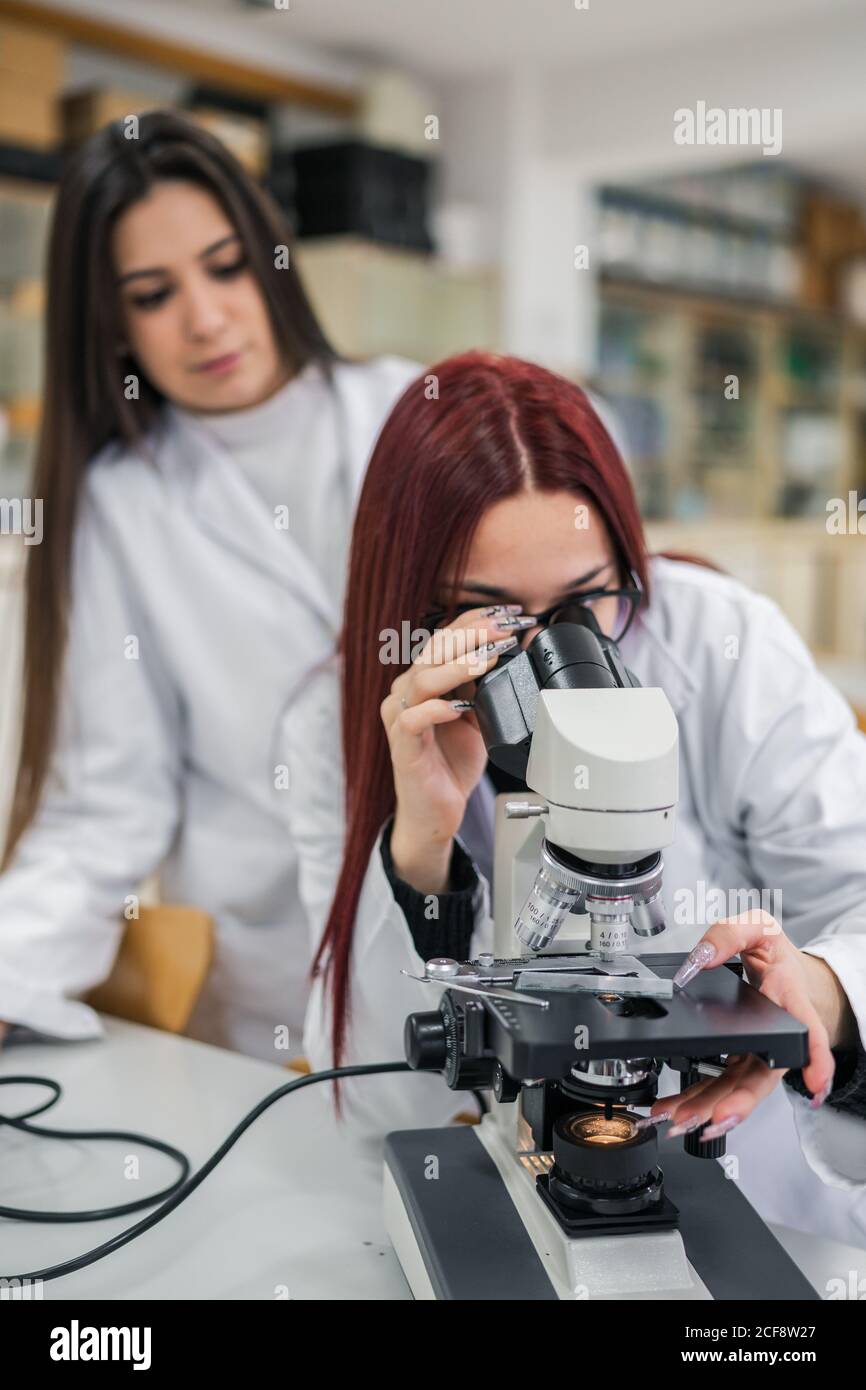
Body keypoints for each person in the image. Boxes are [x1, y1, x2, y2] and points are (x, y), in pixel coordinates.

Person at [282, 350, 866, 1247]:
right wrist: (423, 845)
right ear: (409, 596)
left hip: (776, 1201)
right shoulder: (338, 720)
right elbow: (370, 1101)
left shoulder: (724, 644)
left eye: (584, 603)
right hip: (502, 1179)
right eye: (491, 617)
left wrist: (819, 993)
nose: (552, 657)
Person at [0, 111, 419, 1059]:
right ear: (108, 322)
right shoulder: (118, 504)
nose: (206, 318)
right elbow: (108, 804)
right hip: (269, 989)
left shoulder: (416, 411)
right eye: (152, 294)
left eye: (227, 267)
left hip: (473, 953)